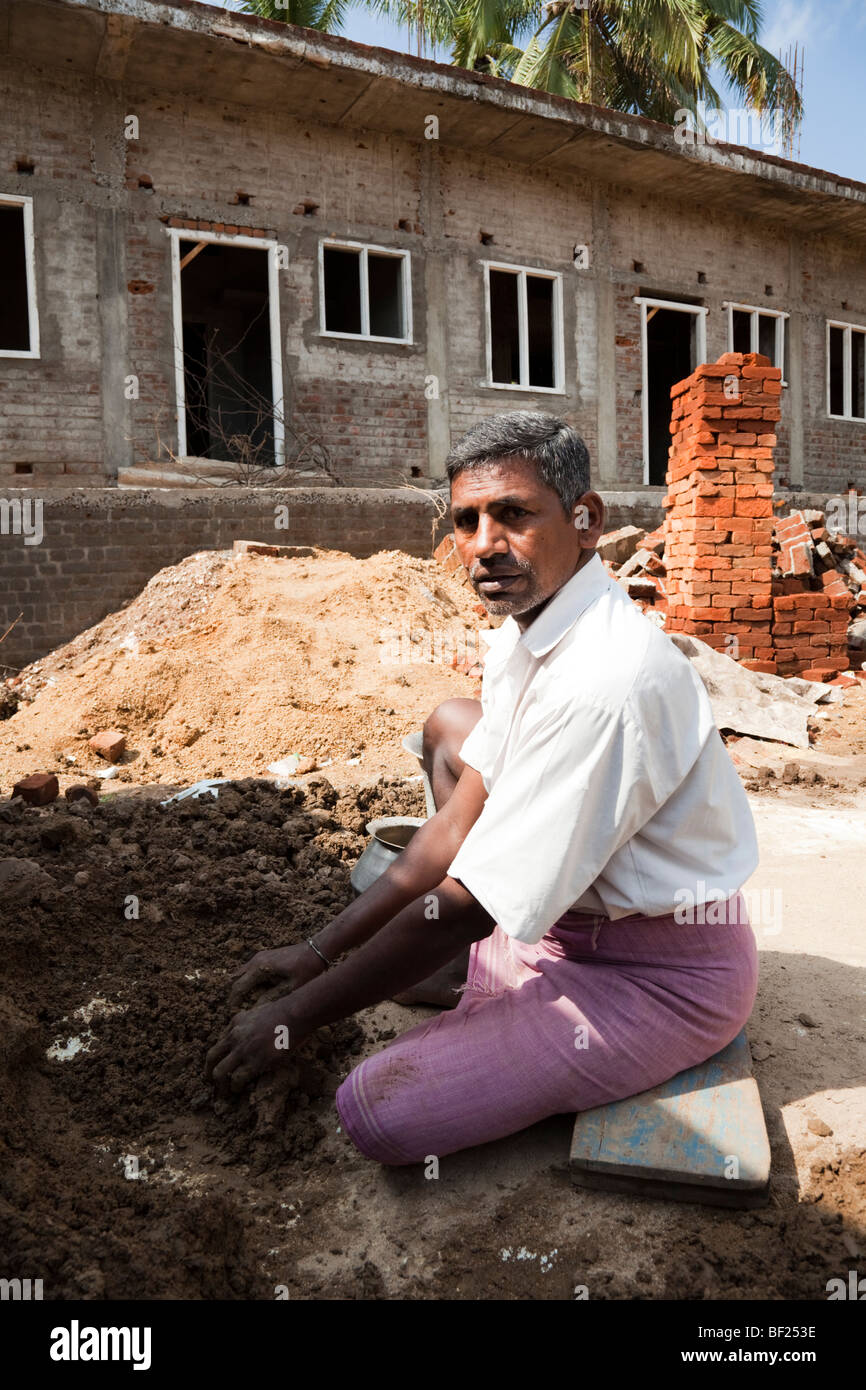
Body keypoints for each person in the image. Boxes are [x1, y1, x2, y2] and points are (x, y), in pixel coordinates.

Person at [206, 411, 760, 1165]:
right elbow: (457, 824)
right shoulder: (528, 630)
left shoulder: (605, 683)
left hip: (657, 975)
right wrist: (315, 950)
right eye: (467, 521)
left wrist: (293, 1020)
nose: (484, 545)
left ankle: (520, 1001)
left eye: (514, 514)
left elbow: (466, 907)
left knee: (378, 1111)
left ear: (586, 519)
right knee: (448, 739)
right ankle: (498, 986)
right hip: (567, 928)